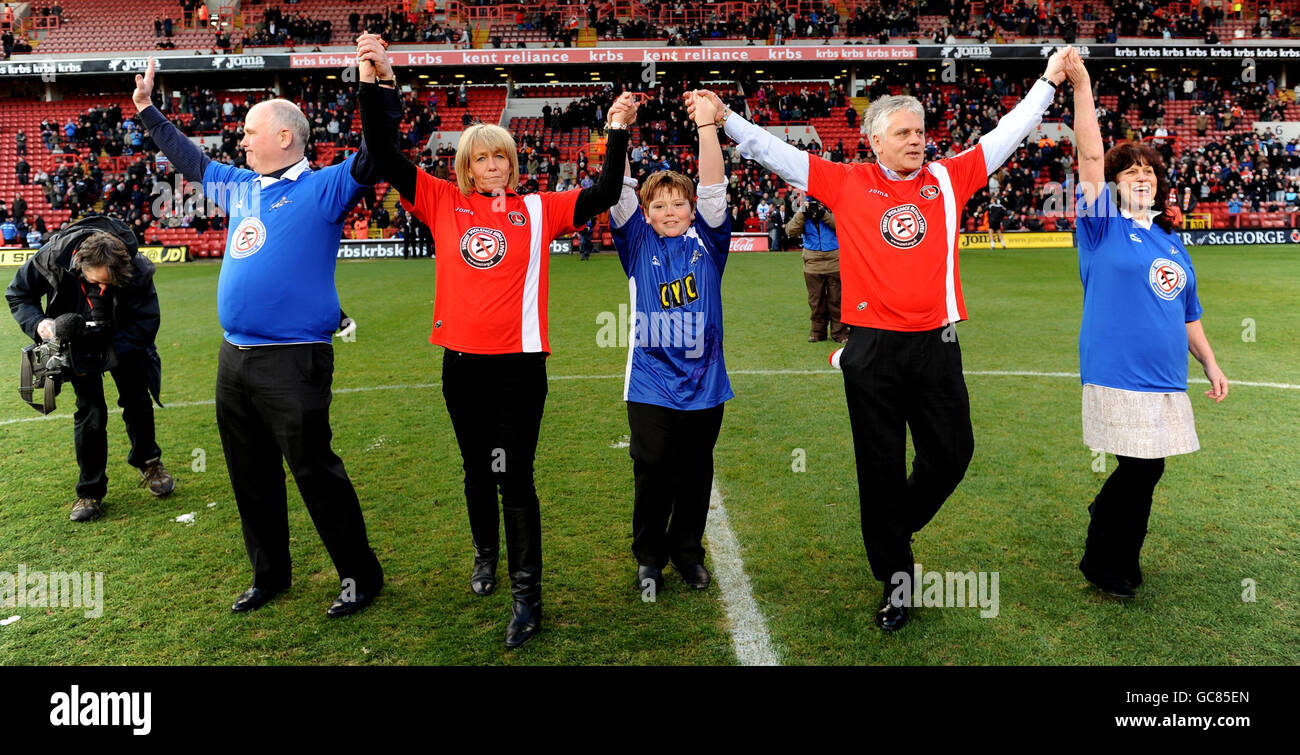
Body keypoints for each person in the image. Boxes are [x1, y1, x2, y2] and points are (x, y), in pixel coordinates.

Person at [691, 46, 1076, 631]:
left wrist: (1049, 82)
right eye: (903, 132)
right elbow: (779, 155)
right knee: (880, 468)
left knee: (953, 453)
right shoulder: (848, 183)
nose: (917, 140)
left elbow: (1008, 134)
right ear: (875, 140)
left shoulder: (948, 178)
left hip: (936, 345)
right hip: (871, 349)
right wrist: (726, 120)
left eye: (921, 130)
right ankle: (898, 583)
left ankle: (892, 527)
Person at [356, 34, 627, 648]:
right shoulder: (442, 202)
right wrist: (376, 82)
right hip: (462, 365)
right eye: (482, 159)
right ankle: (485, 556)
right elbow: (383, 152)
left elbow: (606, 193)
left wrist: (615, 129)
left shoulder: (540, 208)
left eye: (501, 157)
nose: (494, 166)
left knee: (516, 475)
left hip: (520, 367)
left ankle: (527, 597)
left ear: (512, 161)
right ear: (466, 167)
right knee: (477, 469)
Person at [131, 56, 396, 618]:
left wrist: (377, 88)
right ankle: (270, 575)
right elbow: (193, 162)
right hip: (235, 359)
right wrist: (148, 111)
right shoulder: (241, 187)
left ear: (284, 135)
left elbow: (379, 153)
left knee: (314, 473)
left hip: (293, 361)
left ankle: (359, 575)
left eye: (250, 131)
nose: (242, 140)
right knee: (249, 477)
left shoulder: (325, 188)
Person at [1065, 50, 1228, 599]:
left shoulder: (1172, 242)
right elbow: (1089, 153)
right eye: (1130, 173)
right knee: (1138, 471)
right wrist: (1083, 86)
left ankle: (1121, 558)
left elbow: (1188, 312)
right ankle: (1104, 562)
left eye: (1149, 173)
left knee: (1146, 472)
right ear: (1112, 184)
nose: (1142, 179)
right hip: (1117, 371)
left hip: (1165, 377)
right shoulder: (1101, 226)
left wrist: (1209, 362)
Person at [609, 91, 732, 595]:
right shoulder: (637, 241)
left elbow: (713, 187)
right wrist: (618, 126)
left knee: (696, 473)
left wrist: (707, 128)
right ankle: (648, 556)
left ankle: (687, 552)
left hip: (706, 381)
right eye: (658, 204)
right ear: (646, 212)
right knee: (654, 468)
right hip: (650, 380)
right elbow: (617, 191)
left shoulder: (711, 239)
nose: (671, 210)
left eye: (678, 203)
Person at [6, 218, 174, 522]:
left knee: (137, 400)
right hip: (74, 341)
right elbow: (18, 293)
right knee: (90, 411)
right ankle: (90, 491)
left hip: (124, 340)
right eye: (96, 282)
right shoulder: (51, 257)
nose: (103, 289)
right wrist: (40, 324)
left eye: (110, 284)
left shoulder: (136, 269)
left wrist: (109, 353)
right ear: (78, 265)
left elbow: (146, 325)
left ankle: (149, 461)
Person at [784, 194, 845, 343]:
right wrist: (802, 214)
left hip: (834, 260)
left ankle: (840, 333)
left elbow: (842, 226)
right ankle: (818, 332)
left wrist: (824, 214)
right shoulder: (803, 213)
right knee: (816, 301)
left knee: (837, 300)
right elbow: (790, 231)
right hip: (813, 262)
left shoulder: (833, 210)